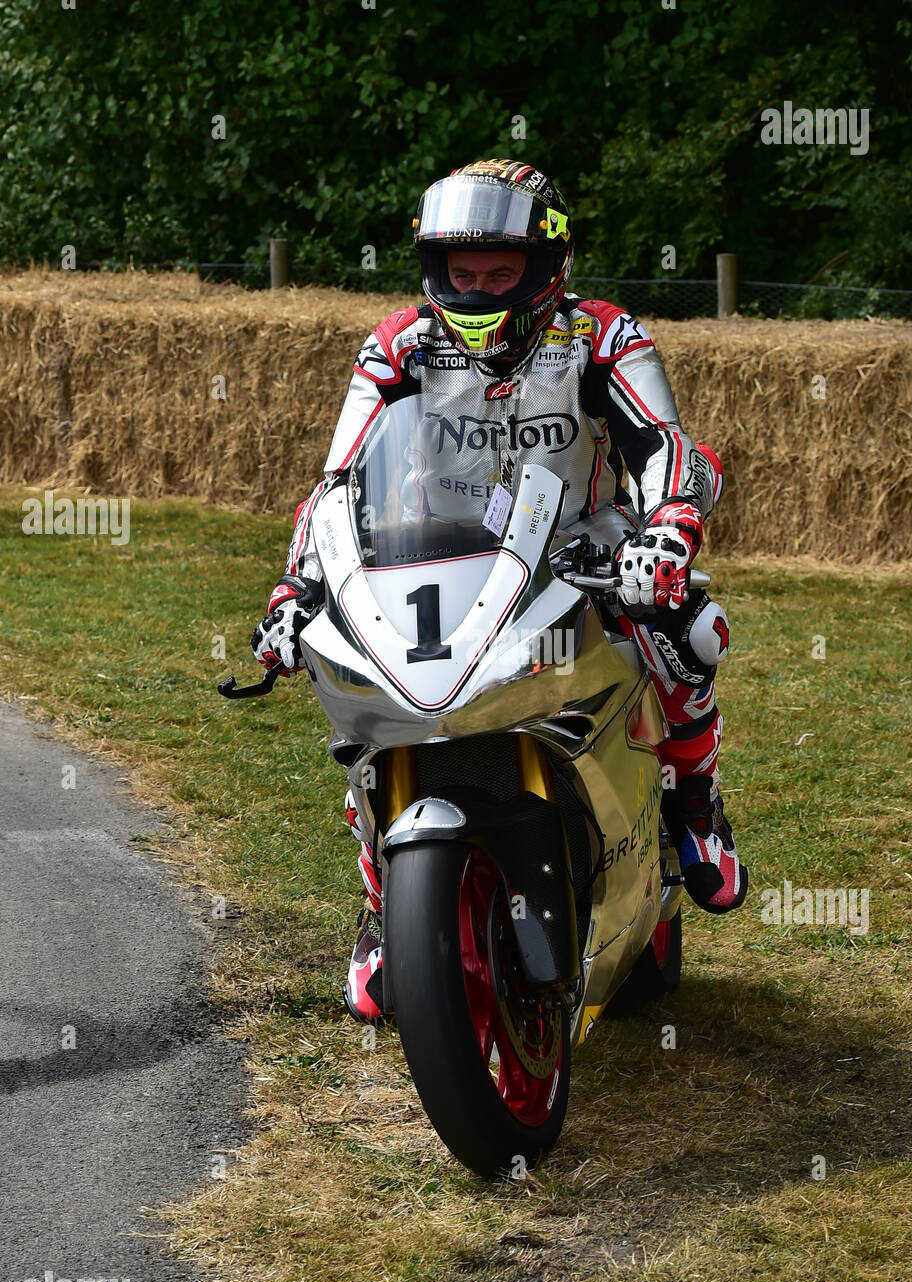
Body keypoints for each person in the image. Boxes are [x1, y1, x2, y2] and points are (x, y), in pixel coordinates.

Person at [251, 158, 749, 1022]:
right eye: (460, 271)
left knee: (690, 627)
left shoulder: (600, 335)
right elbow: (335, 481)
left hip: (579, 549)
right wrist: (294, 586)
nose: (476, 288)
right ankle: (387, 908)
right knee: (371, 703)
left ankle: (695, 804)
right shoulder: (399, 343)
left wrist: (667, 530)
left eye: (499, 271)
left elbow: (665, 445)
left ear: (546, 266)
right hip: (434, 553)